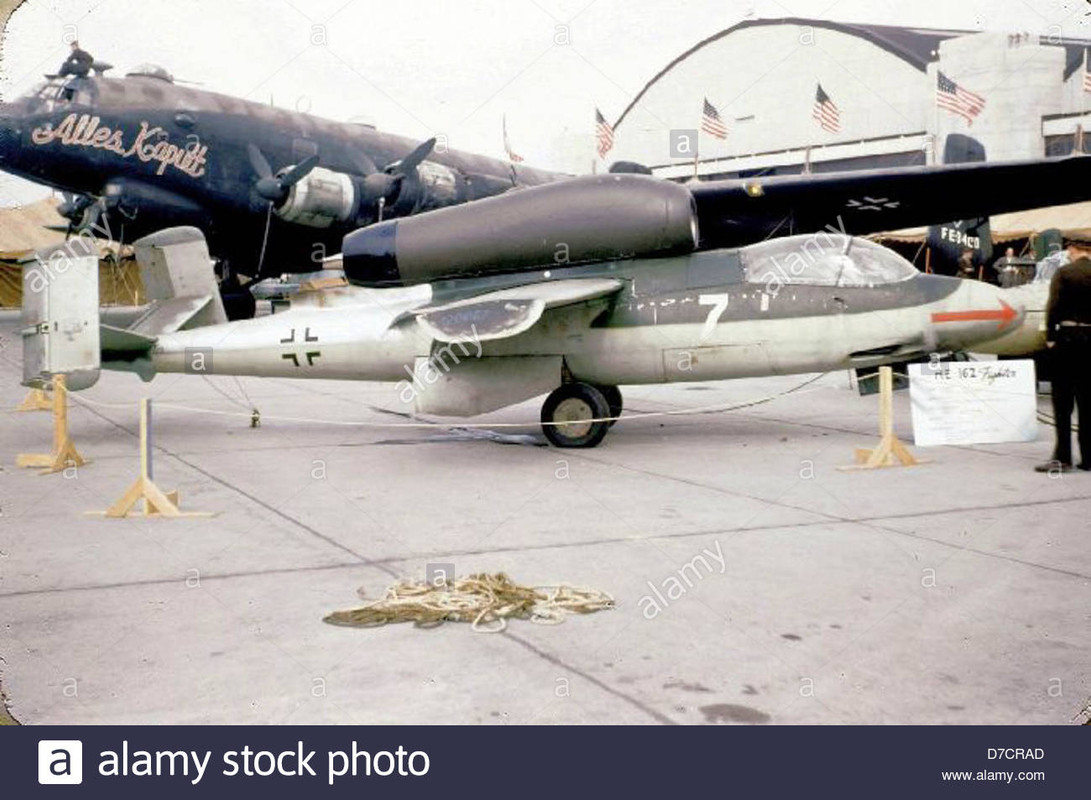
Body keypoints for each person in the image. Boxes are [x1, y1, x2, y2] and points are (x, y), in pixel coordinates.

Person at [1036, 234, 1091, 473]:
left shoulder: (1065, 272)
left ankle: (1063, 458)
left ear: (1072, 249)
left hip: (1068, 339)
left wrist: (1050, 337)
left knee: (1063, 403)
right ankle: (1089, 458)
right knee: (1088, 403)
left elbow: (1053, 306)